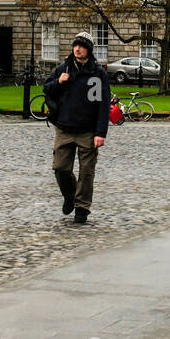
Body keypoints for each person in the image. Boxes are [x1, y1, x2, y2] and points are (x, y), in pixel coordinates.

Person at [44, 32, 111, 224]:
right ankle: (70, 195)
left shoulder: (96, 74)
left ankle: (82, 208)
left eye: (81, 46)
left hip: (87, 131)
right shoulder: (63, 68)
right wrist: (59, 81)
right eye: (75, 45)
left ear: (88, 50)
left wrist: (100, 133)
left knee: (86, 172)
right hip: (64, 128)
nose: (77, 49)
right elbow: (46, 89)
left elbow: (101, 104)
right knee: (60, 168)